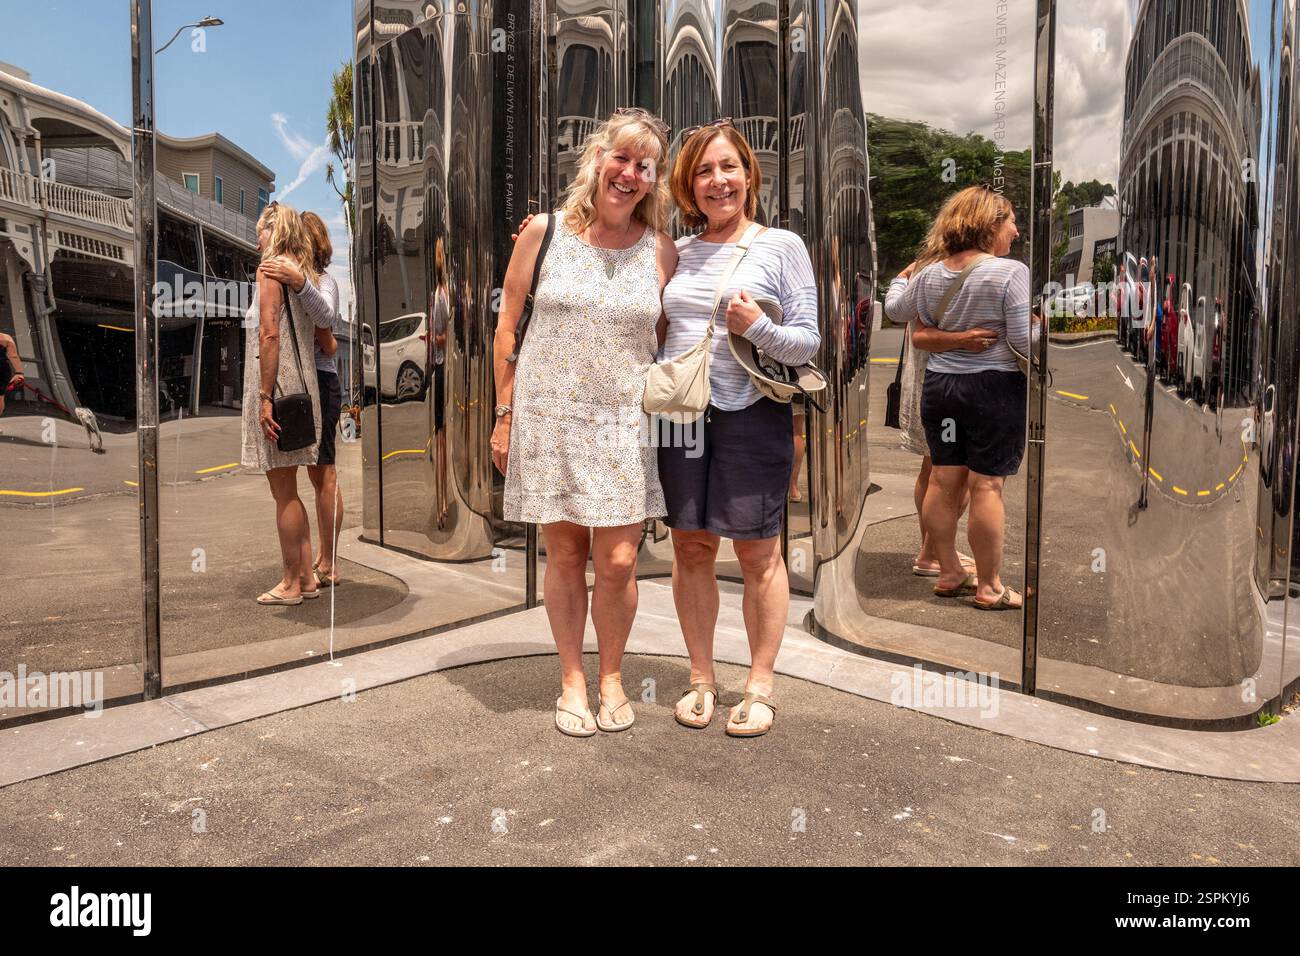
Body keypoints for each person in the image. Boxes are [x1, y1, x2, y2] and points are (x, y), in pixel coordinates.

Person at [492, 109, 678, 738]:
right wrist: (503, 414)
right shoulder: (543, 232)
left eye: (643, 165)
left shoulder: (661, 250)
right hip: (550, 419)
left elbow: (662, 338)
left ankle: (613, 675)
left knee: (621, 559)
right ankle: (573, 676)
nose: (629, 174)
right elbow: (507, 329)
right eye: (620, 158)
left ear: (653, 180)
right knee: (566, 552)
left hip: (623, 424)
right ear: (598, 160)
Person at [657, 120, 820, 737]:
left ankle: (759, 683)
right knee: (691, 547)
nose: (717, 180)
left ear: (749, 174)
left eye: (728, 167)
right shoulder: (675, 248)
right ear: (688, 185)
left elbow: (807, 342)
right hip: (680, 416)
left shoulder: (782, 246)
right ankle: (702, 677)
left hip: (751, 412)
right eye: (703, 171)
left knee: (758, 553)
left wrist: (755, 327)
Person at [890, 185, 1033, 611]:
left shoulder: (931, 273)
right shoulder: (1010, 272)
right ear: (989, 225)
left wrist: (901, 276)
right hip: (994, 388)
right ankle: (989, 586)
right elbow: (1024, 340)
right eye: (1009, 221)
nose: (1016, 230)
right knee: (987, 484)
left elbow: (896, 310)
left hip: (941, 389)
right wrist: (1045, 329)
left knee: (942, 479)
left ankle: (948, 568)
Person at [886, 253, 998, 578]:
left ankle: (933, 549)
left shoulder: (923, 267)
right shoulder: (953, 268)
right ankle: (931, 552)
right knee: (953, 474)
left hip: (925, 382)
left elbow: (895, 309)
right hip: (946, 381)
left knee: (933, 469)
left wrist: (902, 275)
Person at [240, 202, 324, 606]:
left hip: (279, 389)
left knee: (283, 491)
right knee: (290, 489)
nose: (257, 240)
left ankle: (291, 583)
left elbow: (269, 335)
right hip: (302, 390)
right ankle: (306, 577)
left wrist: (263, 398)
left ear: (276, 231)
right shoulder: (302, 272)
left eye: (261, 231)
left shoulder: (271, 269)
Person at [261, 211, 344, 588]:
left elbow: (329, 336)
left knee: (323, 473)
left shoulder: (319, 282)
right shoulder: (291, 280)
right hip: (303, 385)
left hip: (320, 384)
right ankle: (317, 563)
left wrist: (299, 283)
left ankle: (328, 559)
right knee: (311, 473)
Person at [0, 332, 24, 417]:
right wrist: (19, 372)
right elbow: (13, 356)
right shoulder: (5, 338)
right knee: (0, 397)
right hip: (2, 371)